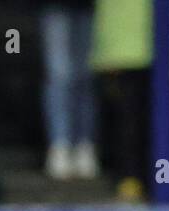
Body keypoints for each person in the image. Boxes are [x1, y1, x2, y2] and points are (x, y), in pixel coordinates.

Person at [90, 0, 169, 200]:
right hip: (122, 54)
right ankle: (130, 178)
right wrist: (105, 54)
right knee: (128, 122)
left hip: (165, 52)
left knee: (163, 125)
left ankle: (162, 181)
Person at [37, 0, 99, 180]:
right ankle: (60, 144)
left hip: (89, 6)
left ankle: (84, 144)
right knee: (59, 74)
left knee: (85, 75)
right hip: (55, 6)